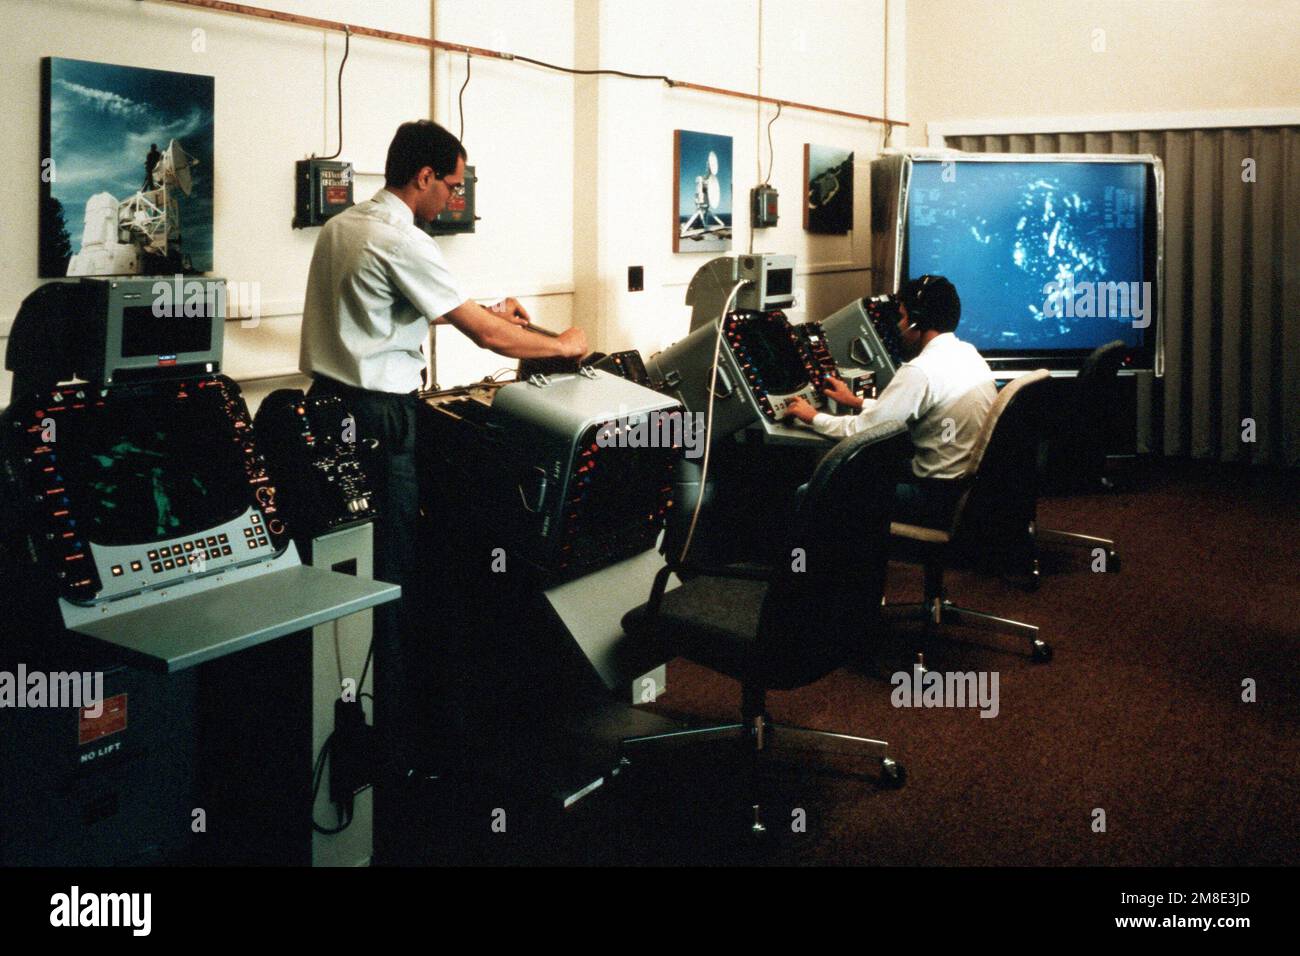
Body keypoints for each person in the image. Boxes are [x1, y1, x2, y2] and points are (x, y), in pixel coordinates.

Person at [298, 120, 587, 802]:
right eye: (451, 187)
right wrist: (565, 342)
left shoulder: (343, 226)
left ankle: (348, 725)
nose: (452, 199)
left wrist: (492, 315)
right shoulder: (404, 237)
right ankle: (397, 756)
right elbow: (486, 338)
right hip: (381, 420)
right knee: (392, 576)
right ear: (422, 176)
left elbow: (389, 310)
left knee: (345, 573)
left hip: (324, 410)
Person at [785, 275, 995, 528]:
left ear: (918, 321)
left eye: (903, 317)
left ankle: (802, 565)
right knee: (864, 470)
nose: (899, 325)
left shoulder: (920, 370)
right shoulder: (967, 354)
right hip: (966, 489)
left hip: (935, 499)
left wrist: (812, 417)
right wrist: (856, 402)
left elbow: (862, 431)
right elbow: (919, 410)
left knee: (811, 492)